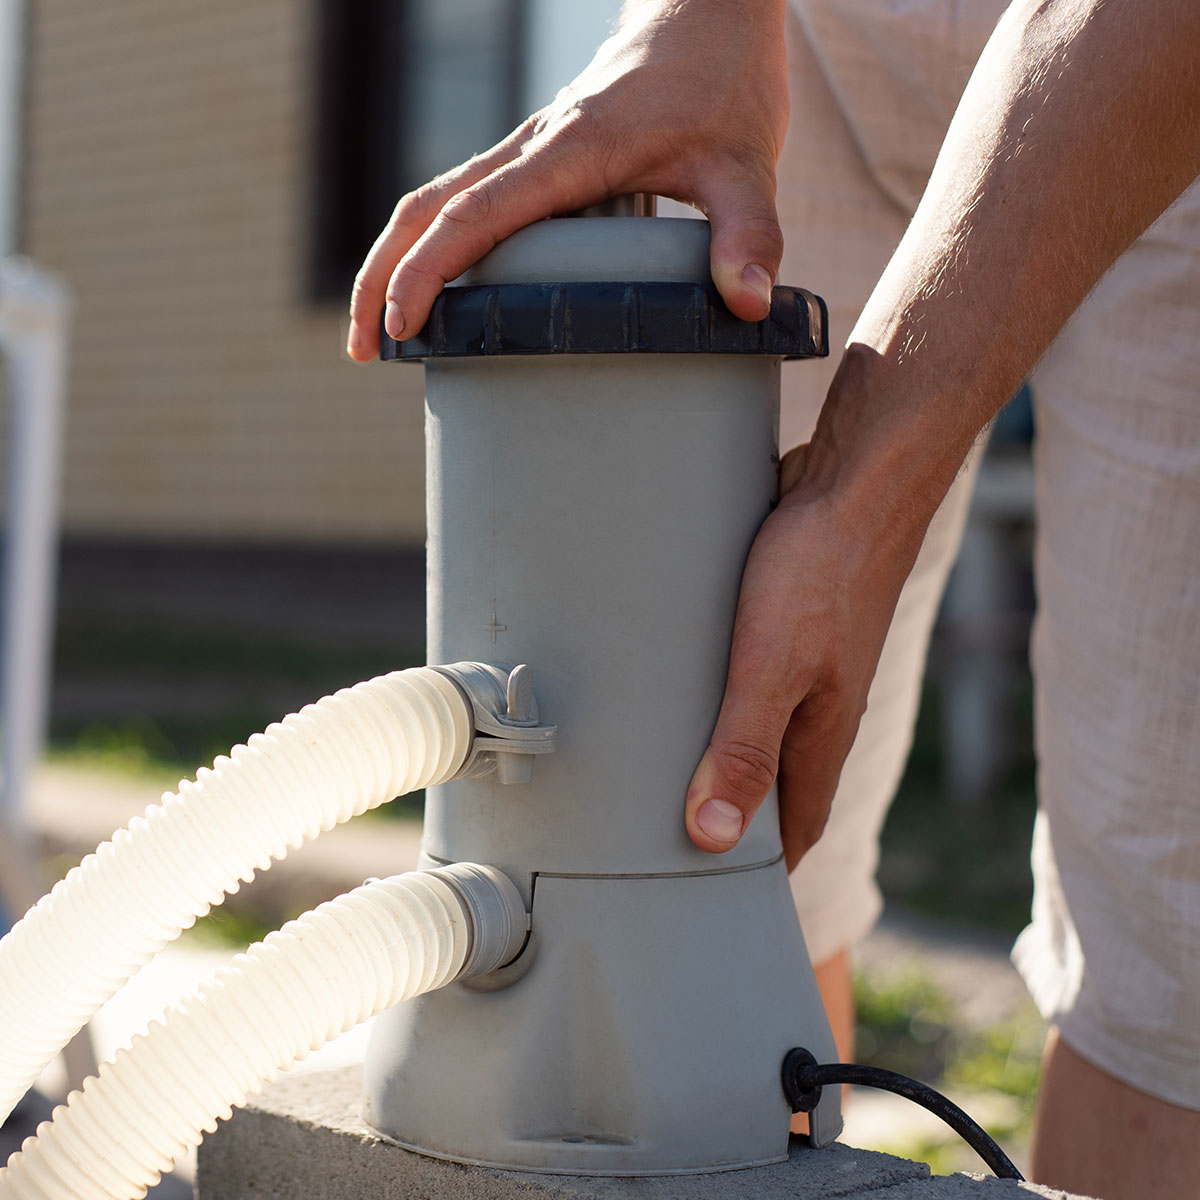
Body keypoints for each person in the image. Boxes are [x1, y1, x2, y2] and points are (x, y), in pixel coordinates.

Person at [346, 2, 1200, 1196]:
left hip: (1166, 77)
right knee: (732, 861)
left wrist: (863, 487)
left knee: (1176, 961)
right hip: (827, 33)